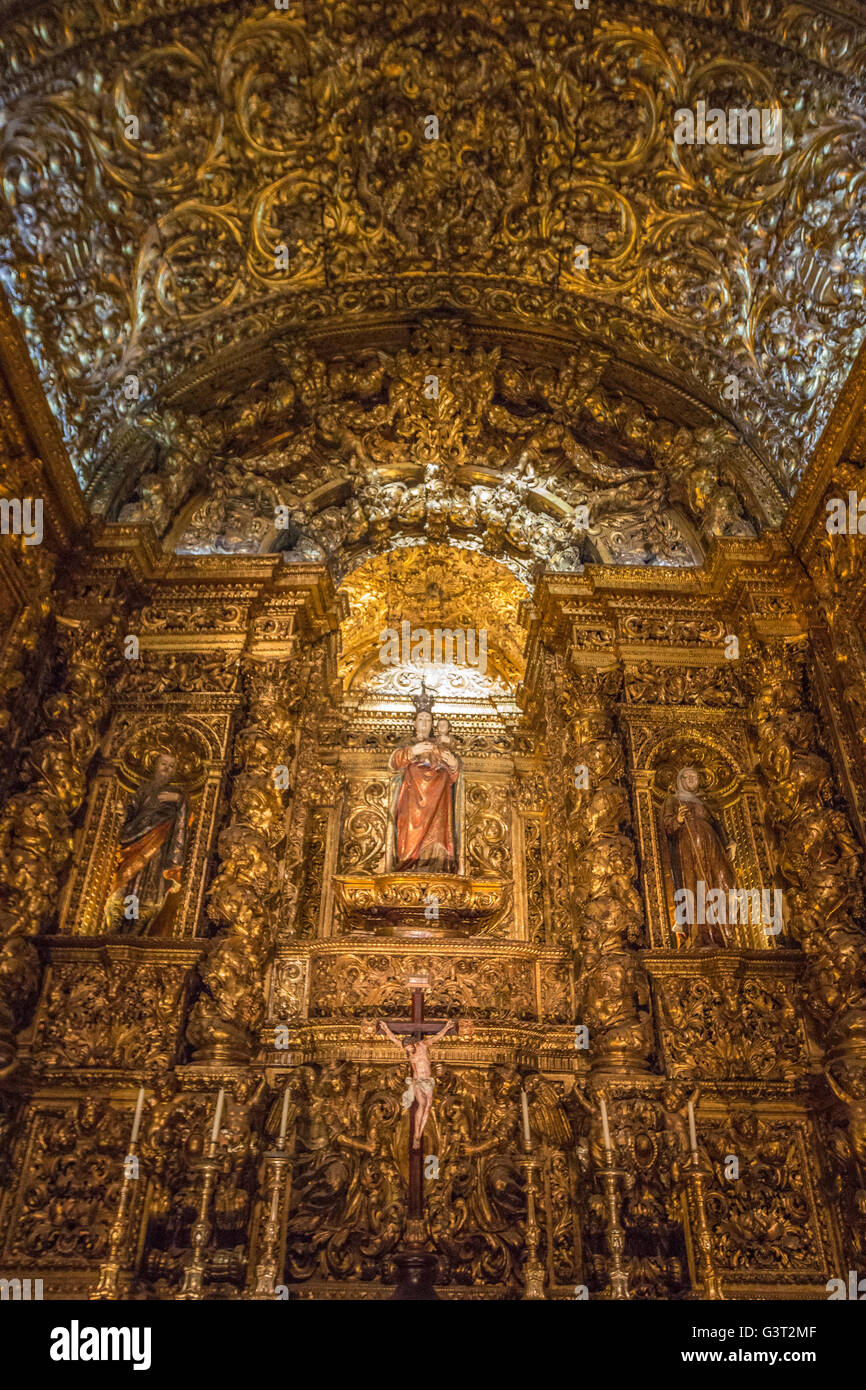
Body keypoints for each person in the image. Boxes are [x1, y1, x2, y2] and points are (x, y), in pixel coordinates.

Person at [389, 709, 460, 872]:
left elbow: (453, 777)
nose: (425, 722)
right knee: (409, 831)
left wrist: (454, 765)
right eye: (421, 719)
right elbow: (393, 762)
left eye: (428, 719)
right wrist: (413, 751)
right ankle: (408, 862)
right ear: (414, 723)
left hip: (438, 798)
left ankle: (435, 863)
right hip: (412, 797)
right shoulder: (408, 742)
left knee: (437, 833)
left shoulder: (438, 745)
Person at [378, 1017, 455, 1148]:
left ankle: (419, 1132)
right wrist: (385, 1028)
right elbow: (394, 1039)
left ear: (414, 1043)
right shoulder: (409, 1051)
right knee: (422, 1104)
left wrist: (447, 1027)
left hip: (428, 1081)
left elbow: (437, 1037)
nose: (409, 1051)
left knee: (428, 1106)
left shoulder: (423, 1046)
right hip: (417, 1081)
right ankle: (416, 1135)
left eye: (410, 1048)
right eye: (407, 1050)